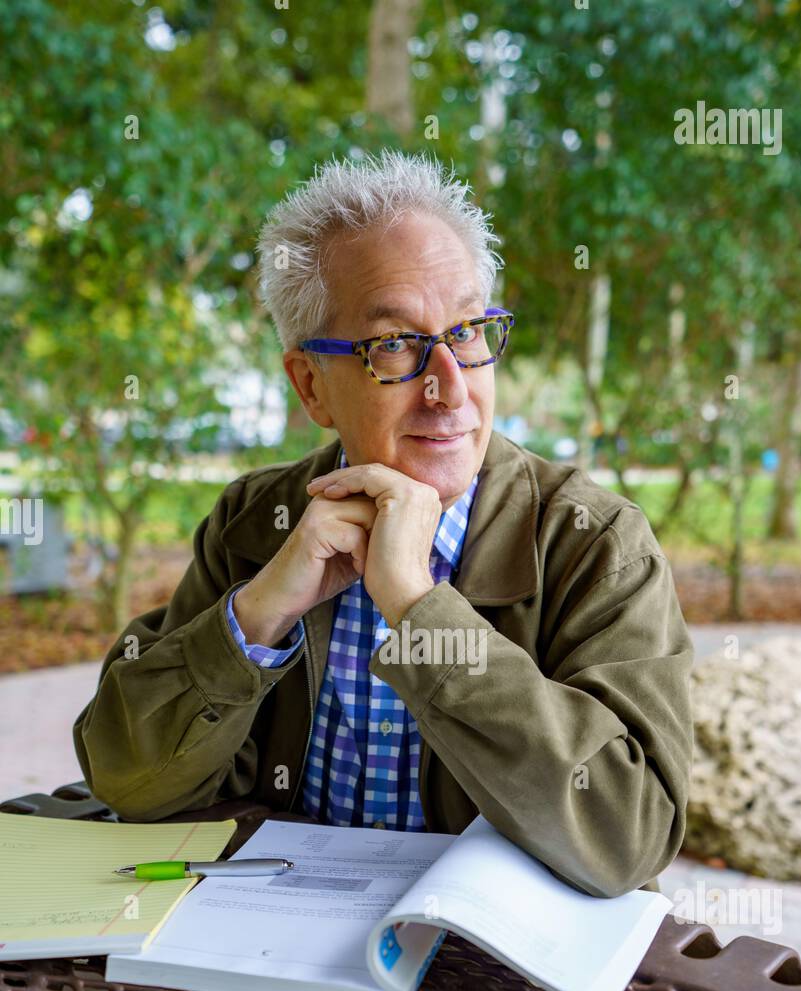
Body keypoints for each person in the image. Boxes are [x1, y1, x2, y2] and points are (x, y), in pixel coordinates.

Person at [73, 149, 693, 898]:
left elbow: (631, 837)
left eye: (467, 331)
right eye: (395, 344)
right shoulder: (255, 523)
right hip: (272, 960)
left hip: (496, 979)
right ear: (311, 386)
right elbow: (130, 779)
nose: (449, 388)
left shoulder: (594, 544)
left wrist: (419, 609)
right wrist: (258, 614)